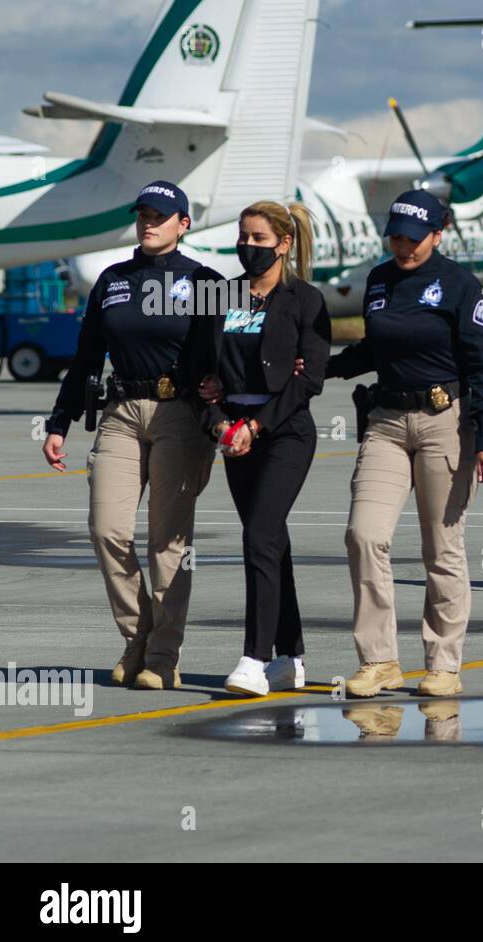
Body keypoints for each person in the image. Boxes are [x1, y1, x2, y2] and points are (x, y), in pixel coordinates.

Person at [41, 180, 221, 690]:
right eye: (143, 214)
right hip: (120, 411)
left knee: (167, 542)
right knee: (107, 531)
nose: (148, 223)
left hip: (179, 415)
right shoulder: (112, 279)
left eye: (160, 216)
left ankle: (163, 656)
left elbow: (233, 352)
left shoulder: (206, 281)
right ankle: (136, 638)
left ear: (183, 224)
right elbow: (85, 356)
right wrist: (59, 423)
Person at [327, 189, 483, 698]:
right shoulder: (380, 280)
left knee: (441, 548)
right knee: (363, 535)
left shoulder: (459, 285)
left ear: (437, 234)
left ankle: (444, 664)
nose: (403, 246)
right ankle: (379, 661)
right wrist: (328, 366)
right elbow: (376, 346)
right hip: (385, 421)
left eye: (413, 237)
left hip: (444, 422)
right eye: (396, 236)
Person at [195, 200, 331, 696]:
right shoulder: (219, 296)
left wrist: (255, 422)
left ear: (284, 243)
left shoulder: (305, 301)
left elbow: (308, 380)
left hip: (284, 432)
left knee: (258, 536)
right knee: (271, 542)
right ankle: (291, 656)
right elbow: (200, 374)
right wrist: (219, 423)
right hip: (233, 434)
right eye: (243, 238)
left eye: (258, 239)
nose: (248, 247)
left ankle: (255, 658)